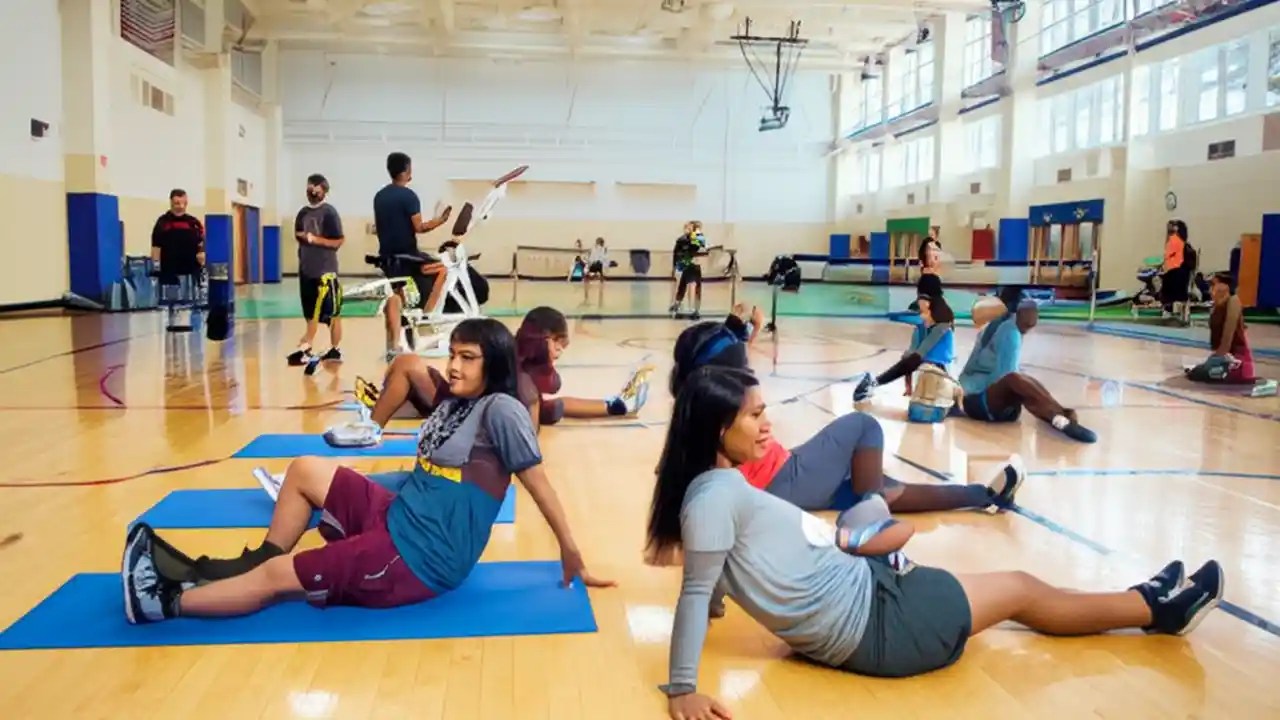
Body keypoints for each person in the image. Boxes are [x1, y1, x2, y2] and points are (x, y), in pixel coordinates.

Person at [647, 366, 1224, 719]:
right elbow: (696, 592)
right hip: (883, 623)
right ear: (716, 429)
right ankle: (1156, 609)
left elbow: (714, 573)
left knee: (1014, 590)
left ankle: (1139, 599)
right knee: (1021, 590)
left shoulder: (714, 490)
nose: (768, 425)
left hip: (872, 592)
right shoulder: (714, 498)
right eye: (754, 416)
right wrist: (683, 690)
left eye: (765, 411)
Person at [123, 318, 614, 623]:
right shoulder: (458, 403)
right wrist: (360, 487)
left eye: (468, 357)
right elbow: (427, 473)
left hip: (421, 557)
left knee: (278, 578)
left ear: (494, 364)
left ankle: (160, 604)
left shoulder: (502, 410)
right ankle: (247, 566)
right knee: (306, 470)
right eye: (453, 354)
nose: (455, 366)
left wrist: (571, 552)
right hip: (399, 515)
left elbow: (538, 484)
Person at [670, 311, 1024, 525]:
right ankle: (872, 524)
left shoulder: (698, 408)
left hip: (784, 475)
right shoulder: (719, 411)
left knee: (882, 485)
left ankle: (982, 495)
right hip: (784, 480)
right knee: (863, 426)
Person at [954, 294, 1097, 443]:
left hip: (974, 395)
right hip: (977, 401)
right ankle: (1060, 416)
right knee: (1016, 381)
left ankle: (1059, 416)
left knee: (1027, 381)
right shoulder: (1009, 332)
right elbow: (1003, 377)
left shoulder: (997, 326)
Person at [515, 306, 652, 430]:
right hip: (507, 412)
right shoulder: (523, 376)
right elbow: (551, 386)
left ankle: (617, 405)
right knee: (536, 401)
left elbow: (554, 393)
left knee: (554, 407)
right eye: (556, 341)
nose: (559, 350)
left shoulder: (526, 359)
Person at [373, 152, 453, 358]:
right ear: (406, 171)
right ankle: (426, 319)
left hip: (387, 258)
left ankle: (393, 344)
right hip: (407, 257)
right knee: (444, 269)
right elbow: (420, 227)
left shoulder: (379, 197)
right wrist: (440, 220)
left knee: (395, 297)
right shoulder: (409, 196)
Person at [287, 173, 345, 373]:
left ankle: (329, 348)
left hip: (325, 271)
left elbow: (338, 241)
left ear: (324, 190)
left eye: (316, 188)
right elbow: (298, 235)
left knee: (331, 313)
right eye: (309, 187)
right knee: (309, 311)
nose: (312, 191)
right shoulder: (302, 213)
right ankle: (308, 347)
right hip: (306, 270)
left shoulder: (329, 213)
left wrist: (314, 239)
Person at [854, 294, 956, 401]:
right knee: (909, 359)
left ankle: (874, 382)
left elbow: (920, 352)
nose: (921, 316)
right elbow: (910, 355)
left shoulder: (942, 327)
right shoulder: (921, 327)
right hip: (924, 362)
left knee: (914, 360)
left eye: (924, 312)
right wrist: (908, 386)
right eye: (920, 312)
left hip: (941, 366)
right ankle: (874, 383)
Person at [1185, 271, 1257, 385]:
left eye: (1214, 285)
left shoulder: (1234, 301)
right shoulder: (1216, 307)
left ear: (1226, 286)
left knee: (1200, 373)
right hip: (1224, 357)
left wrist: (1218, 358)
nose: (1211, 290)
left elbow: (1227, 338)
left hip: (1236, 361)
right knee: (1195, 372)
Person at [150, 189, 205, 298]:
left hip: (191, 272)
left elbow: (202, 243)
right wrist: (156, 267)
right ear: (171, 202)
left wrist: (202, 257)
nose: (180, 206)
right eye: (177, 203)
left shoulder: (193, 222)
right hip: (169, 272)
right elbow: (156, 247)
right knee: (171, 304)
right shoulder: (163, 222)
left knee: (193, 303)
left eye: (183, 203)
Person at [669, 221, 708, 319]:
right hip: (685, 265)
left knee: (694, 286)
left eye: (692, 227)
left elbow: (700, 248)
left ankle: (694, 309)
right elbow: (677, 253)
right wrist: (675, 266)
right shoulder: (682, 239)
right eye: (687, 227)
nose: (689, 229)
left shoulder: (698, 237)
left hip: (694, 265)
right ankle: (677, 304)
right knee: (681, 286)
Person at [1161, 220, 1190, 319]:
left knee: (1172, 294)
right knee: (1179, 295)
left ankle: (1171, 312)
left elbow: (1169, 256)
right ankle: (1180, 314)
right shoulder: (1180, 242)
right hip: (1178, 271)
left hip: (1176, 271)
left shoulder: (1175, 241)